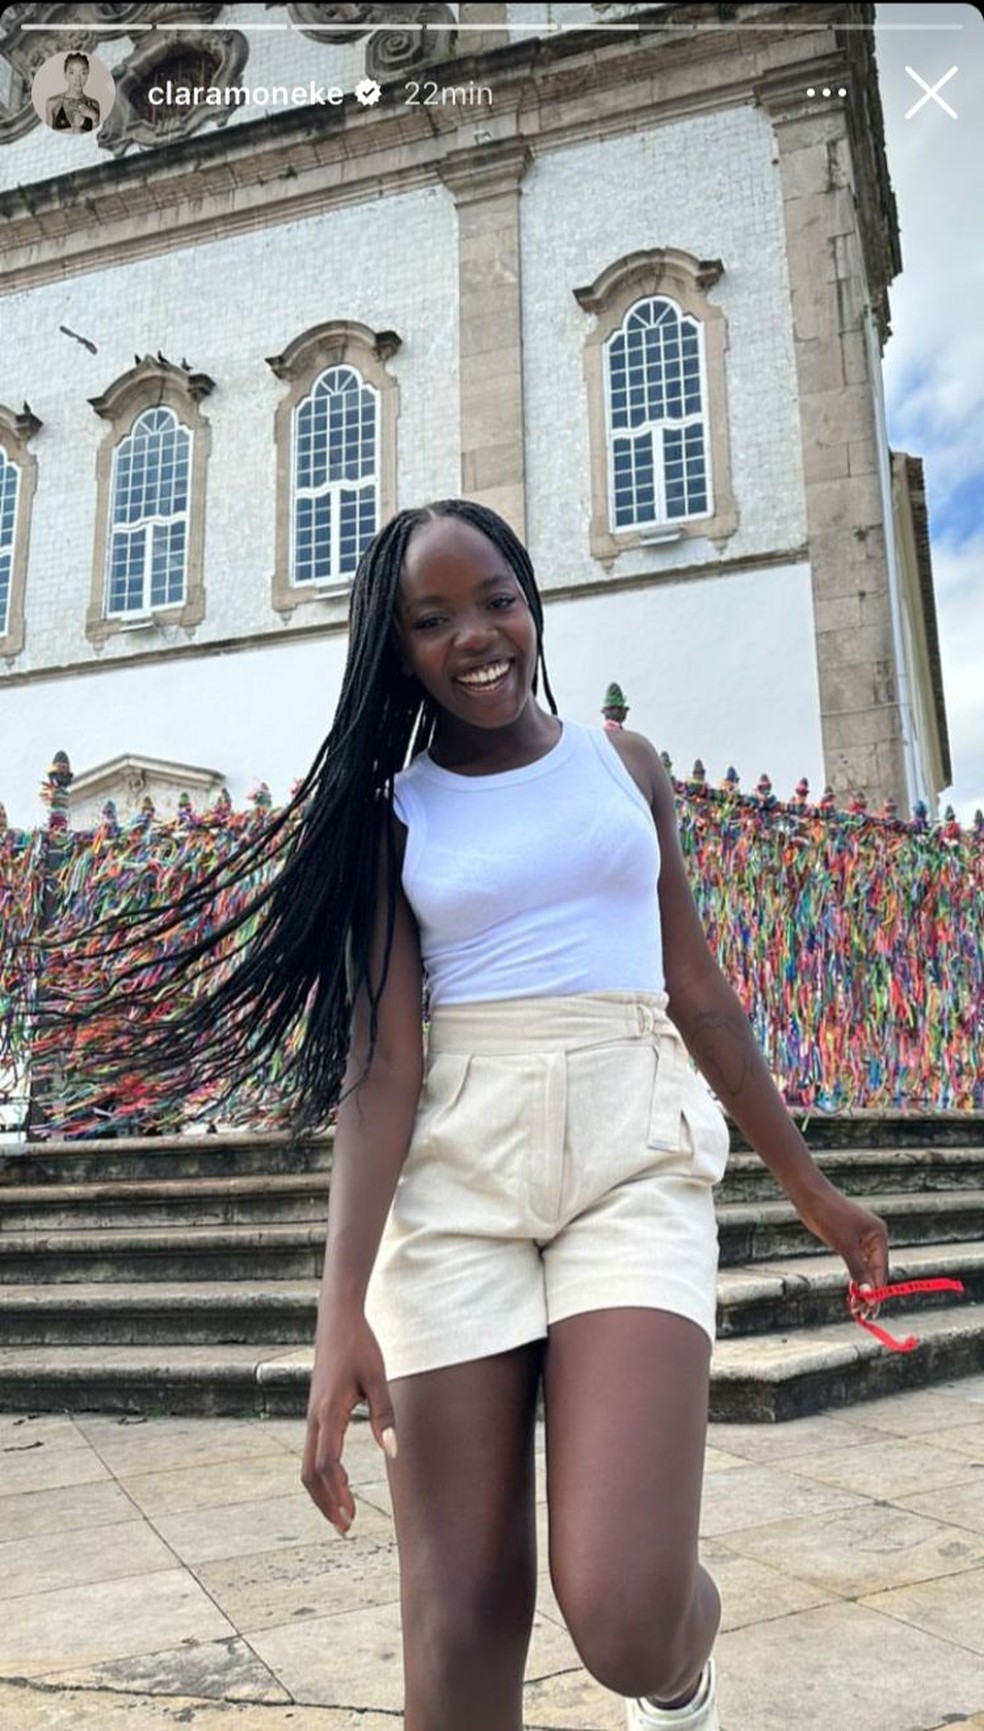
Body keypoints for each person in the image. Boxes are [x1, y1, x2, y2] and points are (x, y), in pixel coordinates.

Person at [41, 498, 889, 1729]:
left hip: (632, 1156)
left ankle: (682, 1675)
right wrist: (337, 1314)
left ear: (532, 602)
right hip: (457, 1183)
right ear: (397, 651)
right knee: (462, 1631)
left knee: (626, 1617)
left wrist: (812, 1190)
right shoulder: (392, 813)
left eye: (497, 599)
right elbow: (383, 1067)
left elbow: (699, 994)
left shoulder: (626, 765)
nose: (477, 635)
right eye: (433, 620)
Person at [45, 52, 100, 133]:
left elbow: (95, 136)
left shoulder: (94, 104)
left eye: (83, 73)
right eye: (72, 73)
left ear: (88, 75)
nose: (78, 79)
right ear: (65, 75)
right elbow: (47, 135)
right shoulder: (53, 103)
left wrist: (95, 119)